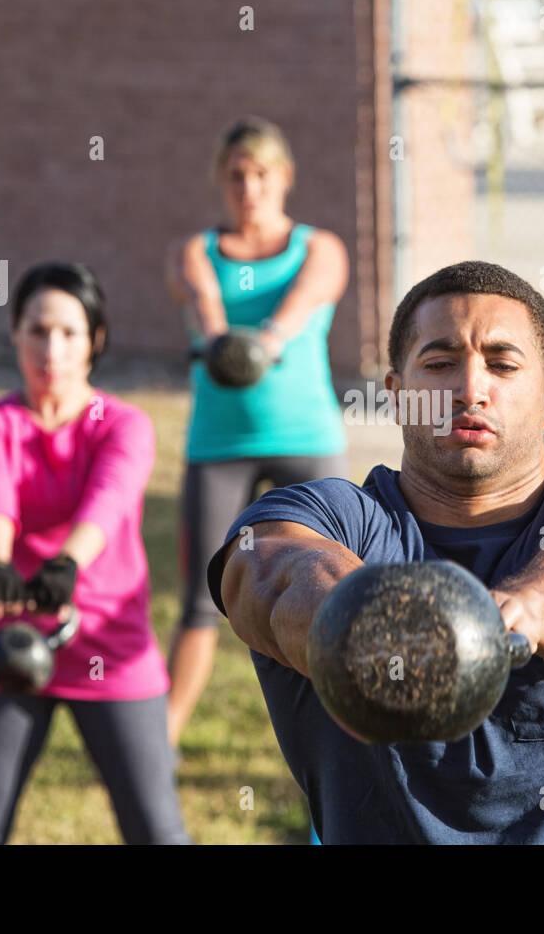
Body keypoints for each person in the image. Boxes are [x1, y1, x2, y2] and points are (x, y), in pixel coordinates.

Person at [206, 260, 544, 843]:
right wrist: (362, 624)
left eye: (503, 365)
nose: (469, 389)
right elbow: (268, 573)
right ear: (397, 394)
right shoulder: (332, 518)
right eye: (438, 364)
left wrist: (521, 612)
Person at [0, 262, 189, 844]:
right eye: (36, 330)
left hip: (111, 639)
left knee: (157, 831)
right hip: (13, 636)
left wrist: (66, 563)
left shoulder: (124, 424)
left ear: (95, 340)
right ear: (13, 332)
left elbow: (109, 499)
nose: (50, 349)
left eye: (68, 332)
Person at [163, 117, 350, 750]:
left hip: (305, 438)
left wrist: (266, 341)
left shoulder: (320, 247)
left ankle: (349, 739)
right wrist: (219, 338)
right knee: (198, 600)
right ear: (221, 180)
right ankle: (158, 745)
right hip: (218, 446)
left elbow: (301, 304)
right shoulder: (196, 251)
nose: (250, 187)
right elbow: (204, 304)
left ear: (285, 178)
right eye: (237, 174)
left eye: (262, 173)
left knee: (332, 591)